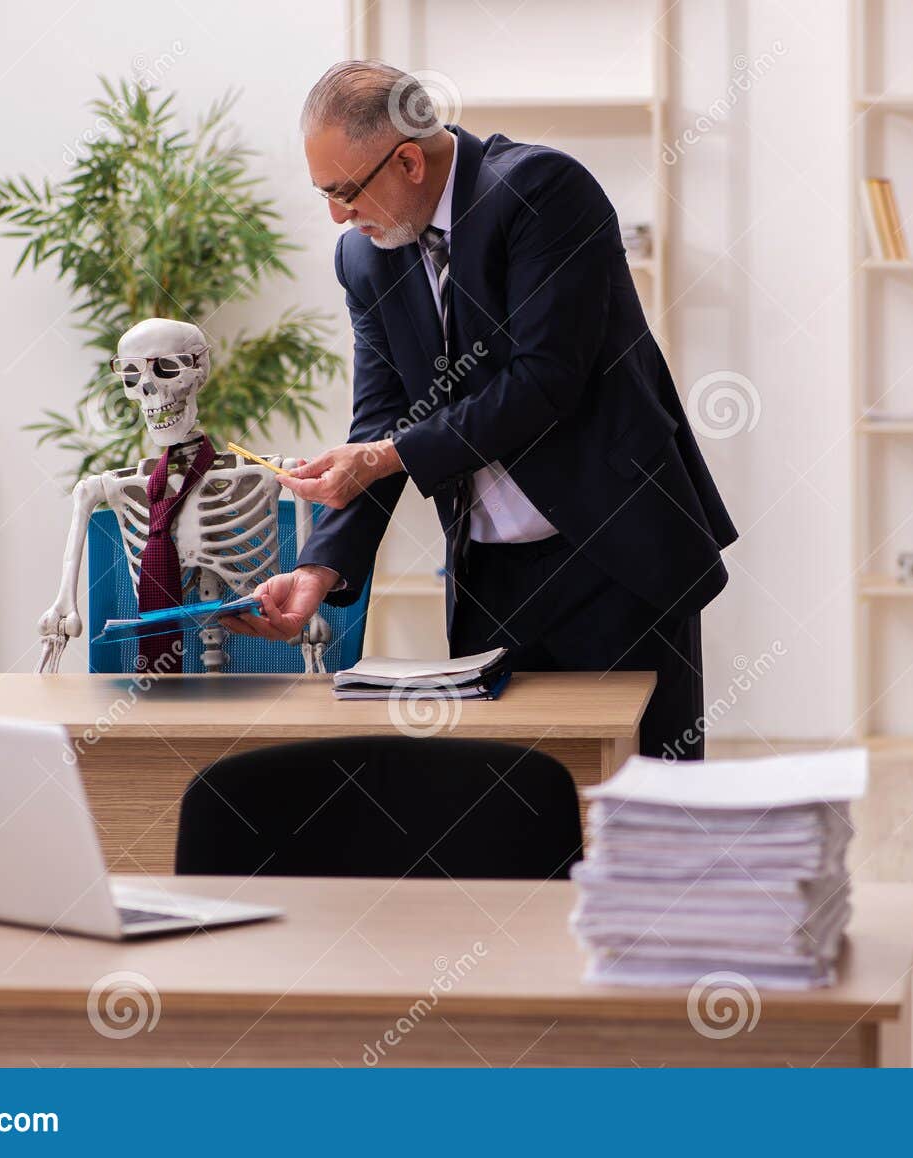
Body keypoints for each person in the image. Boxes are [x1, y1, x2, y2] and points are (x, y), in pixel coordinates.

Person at [225, 60, 737, 759]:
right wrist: (319, 570)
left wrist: (384, 456)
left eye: (344, 192)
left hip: (614, 559)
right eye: (326, 194)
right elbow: (380, 421)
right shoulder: (365, 258)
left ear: (407, 161)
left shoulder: (540, 191)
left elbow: (544, 380)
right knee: (508, 808)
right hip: (488, 584)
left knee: (649, 798)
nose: (338, 216)